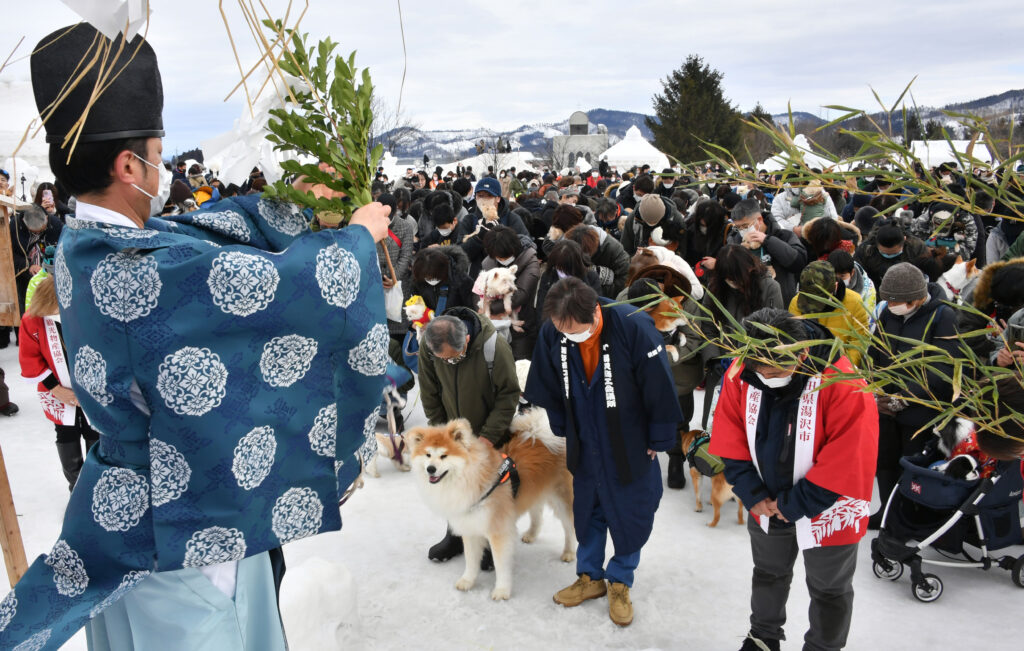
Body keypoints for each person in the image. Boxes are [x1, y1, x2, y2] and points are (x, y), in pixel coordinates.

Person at [0, 23, 393, 650]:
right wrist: (357, 239)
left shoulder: (86, 244)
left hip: (135, 516)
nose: (164, 158)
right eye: (158, 148)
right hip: (184, 527)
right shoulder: (137, 271)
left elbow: (203, 231)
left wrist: (295, 205)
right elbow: (272, 283)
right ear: (131, 165)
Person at [710, 308, 878, 651]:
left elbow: (850, 452)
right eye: (759, 368)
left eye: (776, 370)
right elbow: (730, 434)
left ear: (800, 353)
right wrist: (751, 492)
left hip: (827, 502)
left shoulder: (841, 380)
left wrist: (796, 504)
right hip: (766, 500)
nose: (766, 376)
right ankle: (763, 636)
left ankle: (823, 646)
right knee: (768, 572)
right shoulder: (743, 372)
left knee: (830, 588)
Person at [525, 278, 683, 627]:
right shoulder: (556, 332)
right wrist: (561, 425)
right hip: (584, 434)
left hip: (629, 437)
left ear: (594, 313)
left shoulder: (633, 326)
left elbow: (659, 386)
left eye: (573, 330)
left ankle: (621, 581)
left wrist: (658, 439)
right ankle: (589, 577)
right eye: (559, 328)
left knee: (629, 510)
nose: (566, 335)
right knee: (588, 507)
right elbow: (548, 383)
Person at [418, 312, 521, 564]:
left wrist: (487, 437)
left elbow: (508, 396)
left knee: (489, 492)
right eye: (444, 360)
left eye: (453, 358)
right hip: (453, 436)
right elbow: (430, 392)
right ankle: (455, 534)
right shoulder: (429, 346)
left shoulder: (493, 347)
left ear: (465, 339)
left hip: (489, 431)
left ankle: (487, 541)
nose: (448, 362)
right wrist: (441, 433)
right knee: (452, 483)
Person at [867, 263, 959, 529]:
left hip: (920, 409)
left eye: (898, 302)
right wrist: (876, 389)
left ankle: (908, 518)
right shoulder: (889, 313)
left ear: (918, 298)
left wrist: (905, 398)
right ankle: (886, 512)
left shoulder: (944, 316)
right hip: (886, 405)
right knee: (885, 460)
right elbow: (876, 352)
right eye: (889, 301)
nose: (893, 306)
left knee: (911, 464)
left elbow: (943, 368)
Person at [18, 275, 99, 490]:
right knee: (66, 432)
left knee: (95, 431)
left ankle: (97, 484)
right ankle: (76, 486)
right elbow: (30, 359)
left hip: (91, 388)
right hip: (57, 390)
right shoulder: (32, 320)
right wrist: (56, 389)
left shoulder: (85, 314)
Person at [787, 261, 870, 366]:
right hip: (808, 366)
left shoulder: (854, 302)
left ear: (835, 286)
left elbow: (858, 342)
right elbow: (794, 340)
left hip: (842, 367)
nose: (814, 305)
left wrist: (844, 369)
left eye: (819, 300)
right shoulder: (797, 302)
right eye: (809, 298)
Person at [727, 198, 808, 305]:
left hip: (780, 302)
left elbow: (799, 262)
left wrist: (768, 241)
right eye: (738, 228)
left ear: (759, 220)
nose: (742, 230)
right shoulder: (736, 240)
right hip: (749, 304)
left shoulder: (784, 236)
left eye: (745, 226)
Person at [479, 226, 541, 360]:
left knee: (520, 368)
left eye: (505, 256)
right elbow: (478, 292)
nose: (502, 259)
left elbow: (521, 295)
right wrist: (485, 310)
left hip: (522, 326)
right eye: (498, 257)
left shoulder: (530, 260)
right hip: (494, 328)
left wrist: (491, 309)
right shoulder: (488, 264)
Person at [854, 220, 929, 287]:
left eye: (893, 253)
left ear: (904, 240)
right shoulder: (866, 250)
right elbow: (858, 276)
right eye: (884, 253)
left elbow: (926, 274)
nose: (888, 256)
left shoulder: (916, 248)